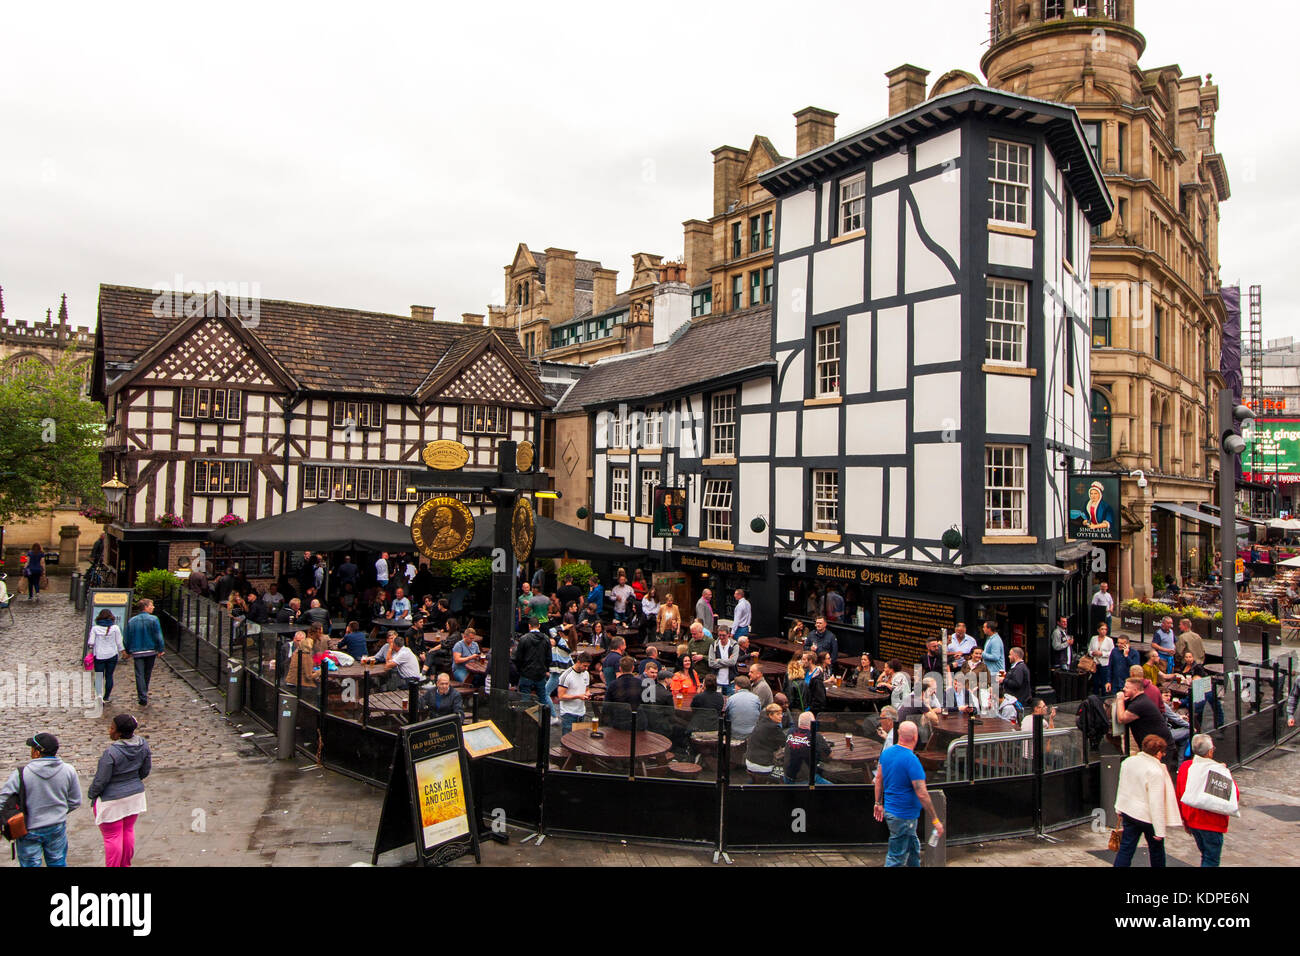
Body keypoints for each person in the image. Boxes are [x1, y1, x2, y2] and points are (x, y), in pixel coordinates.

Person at [0, 732, 81, 867]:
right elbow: (75, 801)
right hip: (57, 827)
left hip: (29, 829)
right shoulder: (68, 771)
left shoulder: (22, 774)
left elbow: (3, 799)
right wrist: (59, 812)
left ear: (37, 752)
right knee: (58, 862)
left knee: (30, 864)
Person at [873, 721, 943, 866]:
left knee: (912, 849)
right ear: (915, 737)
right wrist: (935, 819)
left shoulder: (887, 753)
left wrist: (878, 803)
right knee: (896, 857)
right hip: (904, 816)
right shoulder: (912, 761)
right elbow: (922, 793)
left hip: (894, 813)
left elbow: (879, 779)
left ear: (898, 734)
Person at [87, 714, 151, 868]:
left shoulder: (111, 753)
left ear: (119, 733)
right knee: (128, 831)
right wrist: (134, 781)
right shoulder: (143, 744)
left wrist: (92, 794)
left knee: (112, 837)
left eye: (112, 728)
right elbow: (145, 770)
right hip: (135, 796)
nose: (109, 731)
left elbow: (101, 780)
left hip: (112, 799)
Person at [1113, 734, 1182, 867]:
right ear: (1157, 753)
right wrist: (1160, 830)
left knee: (1126, 849)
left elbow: (1123, 786)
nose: (1163, 755)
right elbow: (1156, 803)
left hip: (1129, 812)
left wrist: (1119, 808)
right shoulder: (1155, 771)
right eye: (1163, 752)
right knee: (1156, 851)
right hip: (1147, 818)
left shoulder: (1128, 762)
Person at [1175, 734, 1239, 867]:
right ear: (1210, 751)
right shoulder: (1218, 770)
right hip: (1211, 823)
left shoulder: (1185, 767)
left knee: (1205, 855)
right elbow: (1233, 795)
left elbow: (1180, 794)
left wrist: (1185, 820)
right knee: (1211, 859)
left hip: (1192, 819)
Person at [123, 598, 166, 707]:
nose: (153, 607)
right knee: (147, 673)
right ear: (146, 607)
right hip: (150, 650)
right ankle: (144, 692)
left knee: (139, 674)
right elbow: (158, 635)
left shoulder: (132, 621)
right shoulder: (153, 619)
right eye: (151, 605)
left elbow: (127, 637)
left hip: (137, 651)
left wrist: (128, 650)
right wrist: (160, 649)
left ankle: (142, 695)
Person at [1116, 677, 1171, 753]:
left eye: (1127, 687)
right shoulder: (1139, 699)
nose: (1123, 689)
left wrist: (1120, 700)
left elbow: (1122, 719)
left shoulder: (1140, 703)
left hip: (1160, 747)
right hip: (1152, 745)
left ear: (1135, 690)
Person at [88, 608, 126, 704]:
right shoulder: (115, 628)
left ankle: (99, 696)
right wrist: (123, 651)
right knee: (109, 676)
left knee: (99, 676)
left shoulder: (95, 629)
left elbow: (91, 642)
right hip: (112, 655)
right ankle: (106, 697)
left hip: (99, 656)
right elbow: (119, 642)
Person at [782, 711, 831, 785]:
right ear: (813, 723)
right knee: (835, 790)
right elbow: (828, 756)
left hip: (787, 776)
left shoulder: (790, 732)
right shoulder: (816, 736)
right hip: (804, 779)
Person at [514, 617, 552, 708]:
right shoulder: (546, 639)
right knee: (542, 699)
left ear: (529, 626)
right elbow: (549, 658)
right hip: (540, 673)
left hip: (526, 673)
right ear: (539, 625)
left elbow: (518, 658)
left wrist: (521, 670)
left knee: (525, 700)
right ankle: (543, 720)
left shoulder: (524, 639)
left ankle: (524, 720)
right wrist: (544, 669)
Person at [744, 704, 788, 779]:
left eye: (781, 714)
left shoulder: (761, 721)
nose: (781, 716)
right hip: (761, 765)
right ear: (770, 715)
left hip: (749, 760)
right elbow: (785, 743)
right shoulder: (774, 728)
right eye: (778, 714)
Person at [556, 655, 592, 735]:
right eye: (584, 666)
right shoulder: (566, 676)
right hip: (568, 713)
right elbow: (561, 696)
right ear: (578, 662)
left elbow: (586, 689)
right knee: (567, 741)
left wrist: (587, 694)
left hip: (581, 712)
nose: (586, 668)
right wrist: (578, 696)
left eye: (588, 666)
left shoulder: (586, 674)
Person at [708, 626, 741, 696]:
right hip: (716, 682)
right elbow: (711, 663)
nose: (721, 637)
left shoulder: (734, 645)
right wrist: (728, 661)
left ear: (728, 634)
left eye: (724, 635)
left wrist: (719, 660)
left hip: (730, 682)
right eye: (719, 635)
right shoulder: (713, 645)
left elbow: (733, 662)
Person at [1086, 623, 1114, 696]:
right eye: (1102, 629)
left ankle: (1104, 697)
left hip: (1104, 664)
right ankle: (1095, 697)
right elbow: (1089, 650)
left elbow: (1112, 652)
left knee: (1104, 682)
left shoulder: (1109, 640)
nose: (1104, 631)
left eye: (1105, 629)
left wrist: (1102, 653)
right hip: (1095, 663)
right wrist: (1093, 653)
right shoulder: (1094, 638)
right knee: (1095, 682)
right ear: (1098, 630)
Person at [670, 645, 701, 710]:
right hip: (682, 705)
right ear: (681, 663)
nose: (688, 662)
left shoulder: (693, 672)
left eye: (689, 660)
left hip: (694, 704)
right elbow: (676, 694)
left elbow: (698, 686)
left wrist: (697, 694)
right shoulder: (677, 676)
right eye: (685, 661)